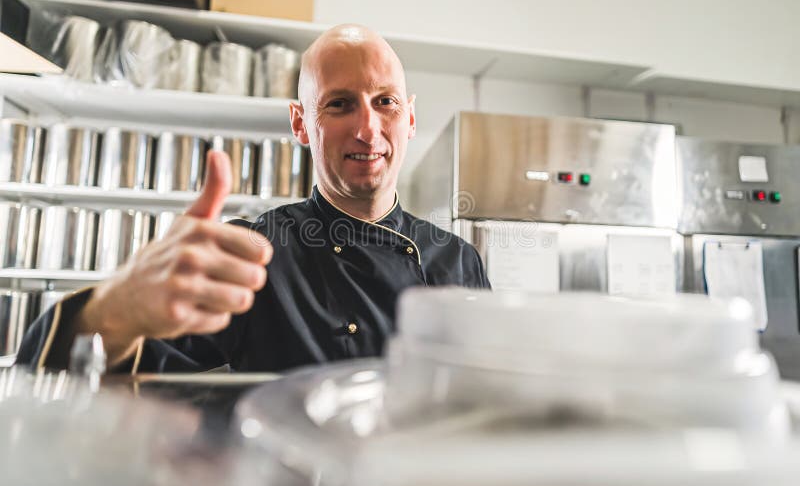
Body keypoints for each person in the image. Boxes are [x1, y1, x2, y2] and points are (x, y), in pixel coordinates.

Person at [17, 24, 490, 374]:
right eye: (339, 104)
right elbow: (60, 380)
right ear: (300, 123)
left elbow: (489, 401)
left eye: (385, 101)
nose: (368, 129)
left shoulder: (458, 260)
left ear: (410, 118)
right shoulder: (254, 254)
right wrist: (115, 310)